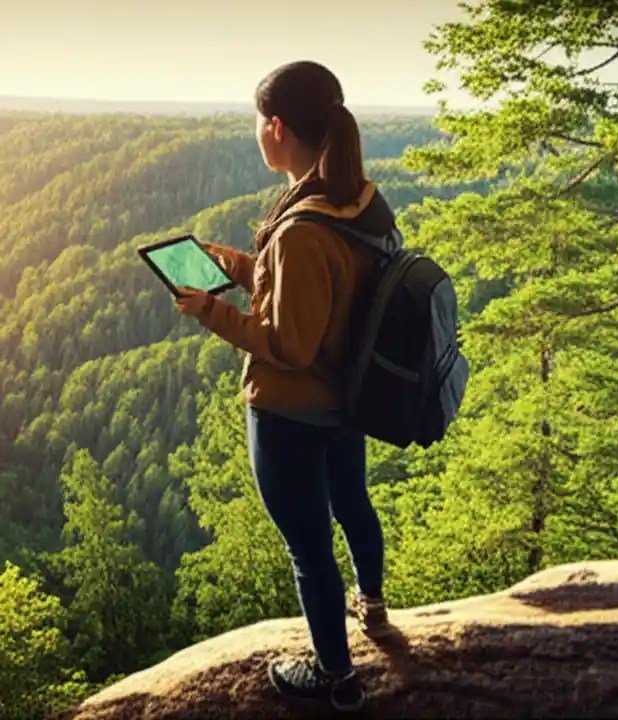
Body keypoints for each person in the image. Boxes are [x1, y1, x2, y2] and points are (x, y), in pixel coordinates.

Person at [174, 60, 399, 712]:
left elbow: (290, 345)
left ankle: (338, 681)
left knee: (309, 551)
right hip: (346, 400)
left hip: (293, 414)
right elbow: (318, 297)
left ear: (276, 127)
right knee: (353, 503)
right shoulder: (357, 201)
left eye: (257, 122)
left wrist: (211, 311)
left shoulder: (301, 228)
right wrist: (241, 267)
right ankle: (373, 606)